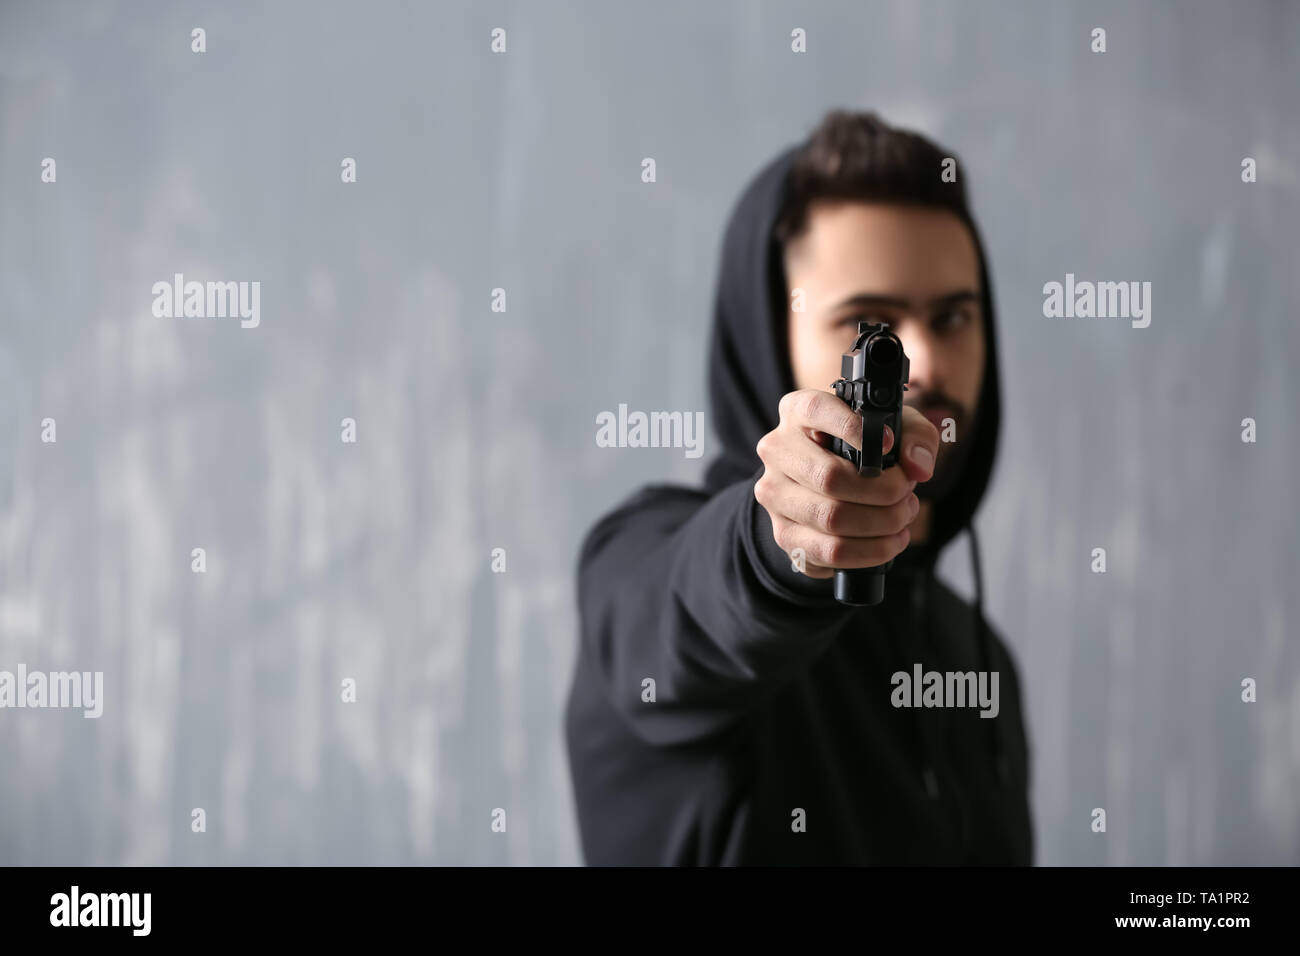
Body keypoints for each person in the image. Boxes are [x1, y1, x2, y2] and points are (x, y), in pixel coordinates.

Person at [564, 109, 1033, 865]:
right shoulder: (642, 564)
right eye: (870, 325)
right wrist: (780, 547)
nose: (925, 362)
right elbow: (682, 616)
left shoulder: (980, 661)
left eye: (952, 317)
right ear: (765, 336)